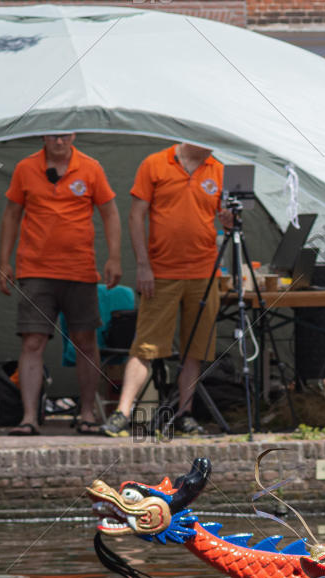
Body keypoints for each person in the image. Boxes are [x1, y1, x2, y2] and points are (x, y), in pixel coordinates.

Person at [0, 132, 121, 436]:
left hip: (80, 270)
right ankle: (29, 417)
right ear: (44, 136)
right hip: (35, 270)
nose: (59, 142)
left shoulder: (90, 167)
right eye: (53, 135)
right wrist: (4, 261)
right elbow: (12, 214)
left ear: (73, 135)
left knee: (85, 341)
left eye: (65, 136)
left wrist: (114, 257)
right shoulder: (26, 168)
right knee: (32, 341)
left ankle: (88, 413)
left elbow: (110, 212)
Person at [102, 141, 227, 438]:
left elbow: (226, 222)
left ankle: (184, 414)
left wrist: (230, 221)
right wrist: (143, 265)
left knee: (195, 349)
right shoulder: (155, 164)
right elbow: (135, 216)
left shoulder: (220, 170)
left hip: (204, 274)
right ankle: (122, 413)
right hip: (162, 272)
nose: (215, 142)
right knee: (145, 345)